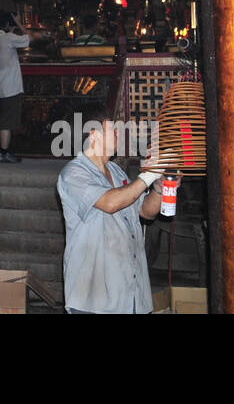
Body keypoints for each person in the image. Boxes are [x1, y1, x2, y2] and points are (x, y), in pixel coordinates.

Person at [56, 101, 167, 313]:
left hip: (130, 295)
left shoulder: (116, 172)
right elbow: (110, 203)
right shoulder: (73, 175)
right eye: (112, 128)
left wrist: (159, 187)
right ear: (94, 134)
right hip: (94, 301)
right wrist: (150, 173)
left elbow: (145, 211)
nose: (118, 132)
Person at [0, 10, 35, 163]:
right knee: (7, 122)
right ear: (7, 24)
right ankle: (5, 152)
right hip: (10, 86)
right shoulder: (7, 38)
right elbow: (30, 38)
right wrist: (19, 22)